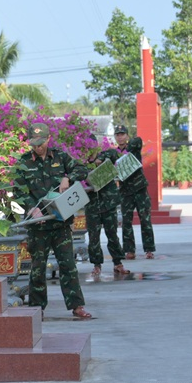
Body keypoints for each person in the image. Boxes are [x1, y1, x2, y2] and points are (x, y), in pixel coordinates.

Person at [12, 122, 92, 319]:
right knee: (37, 268)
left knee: (68, 265)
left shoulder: (61, 157)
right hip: (37, 225)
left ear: (48, 139)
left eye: (41, 143)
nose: (37, 147)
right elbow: (18, 192)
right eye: (34, 144)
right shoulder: (24, 163)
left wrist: (68, 178)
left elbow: (82, 169)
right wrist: (32, 208)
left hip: (60, 223)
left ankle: (77, 306)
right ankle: (37, 308)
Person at [86, 134, 130, 277]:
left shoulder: (105, 155)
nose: (90, 148)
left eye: (92, 145)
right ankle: (96, 265)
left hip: (108, 203)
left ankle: (118, 263)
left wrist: (101, 158)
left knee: (112, 235)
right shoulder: (82, 163)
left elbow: (114, 153)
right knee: (94, 237)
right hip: (92, 205)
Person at [114, 124, 156, 259]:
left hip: (140, 189)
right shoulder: (113, 154)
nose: (120, 137)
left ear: (127, 136)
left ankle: (149, 249)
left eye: (122, 134)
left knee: (145, 219)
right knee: (126, 221)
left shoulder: (133, 149)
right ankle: (129, 250)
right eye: (118, 135)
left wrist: (127, 149)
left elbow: (138, 140)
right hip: (125, 191)